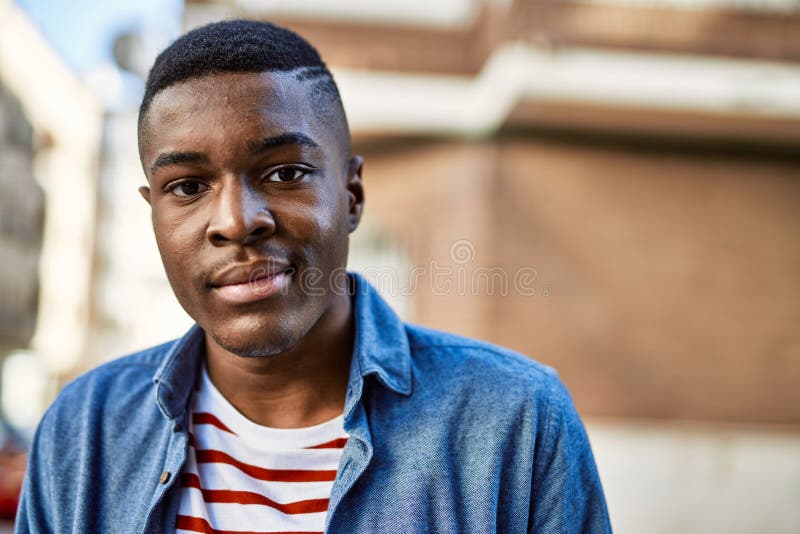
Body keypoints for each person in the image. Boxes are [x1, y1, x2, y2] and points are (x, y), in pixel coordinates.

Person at [15, 20, 611, 534]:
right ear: (154, 214)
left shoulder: (515, 421)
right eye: (188, 187)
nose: (236, 221)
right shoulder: (83, 432)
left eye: (285, 173)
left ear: (352, 195)